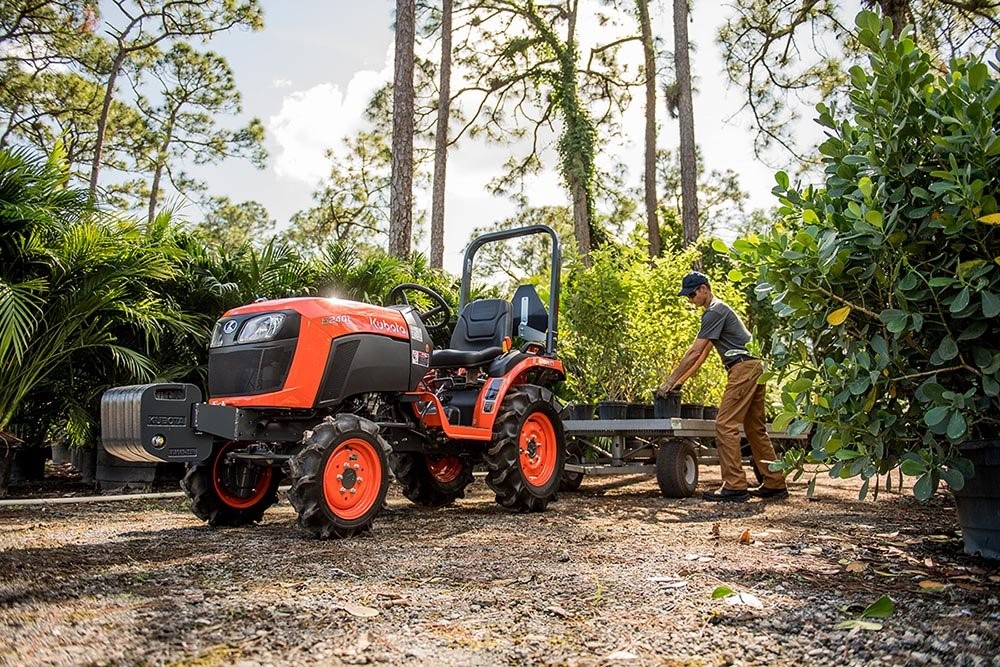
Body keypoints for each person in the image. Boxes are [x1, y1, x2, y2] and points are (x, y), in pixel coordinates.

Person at [657, 271, 788, 502]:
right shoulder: (719, 311)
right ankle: (774, 483)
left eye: (692, 294)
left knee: (725, 424)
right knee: (755, 428)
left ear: (704, 288)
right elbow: (703, 355)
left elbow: (694, 351)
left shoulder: (714, 311)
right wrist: (678, 382)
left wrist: (668, 381)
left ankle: (735, 486)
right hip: (755, 366)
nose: (690, 300)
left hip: (743, 368)